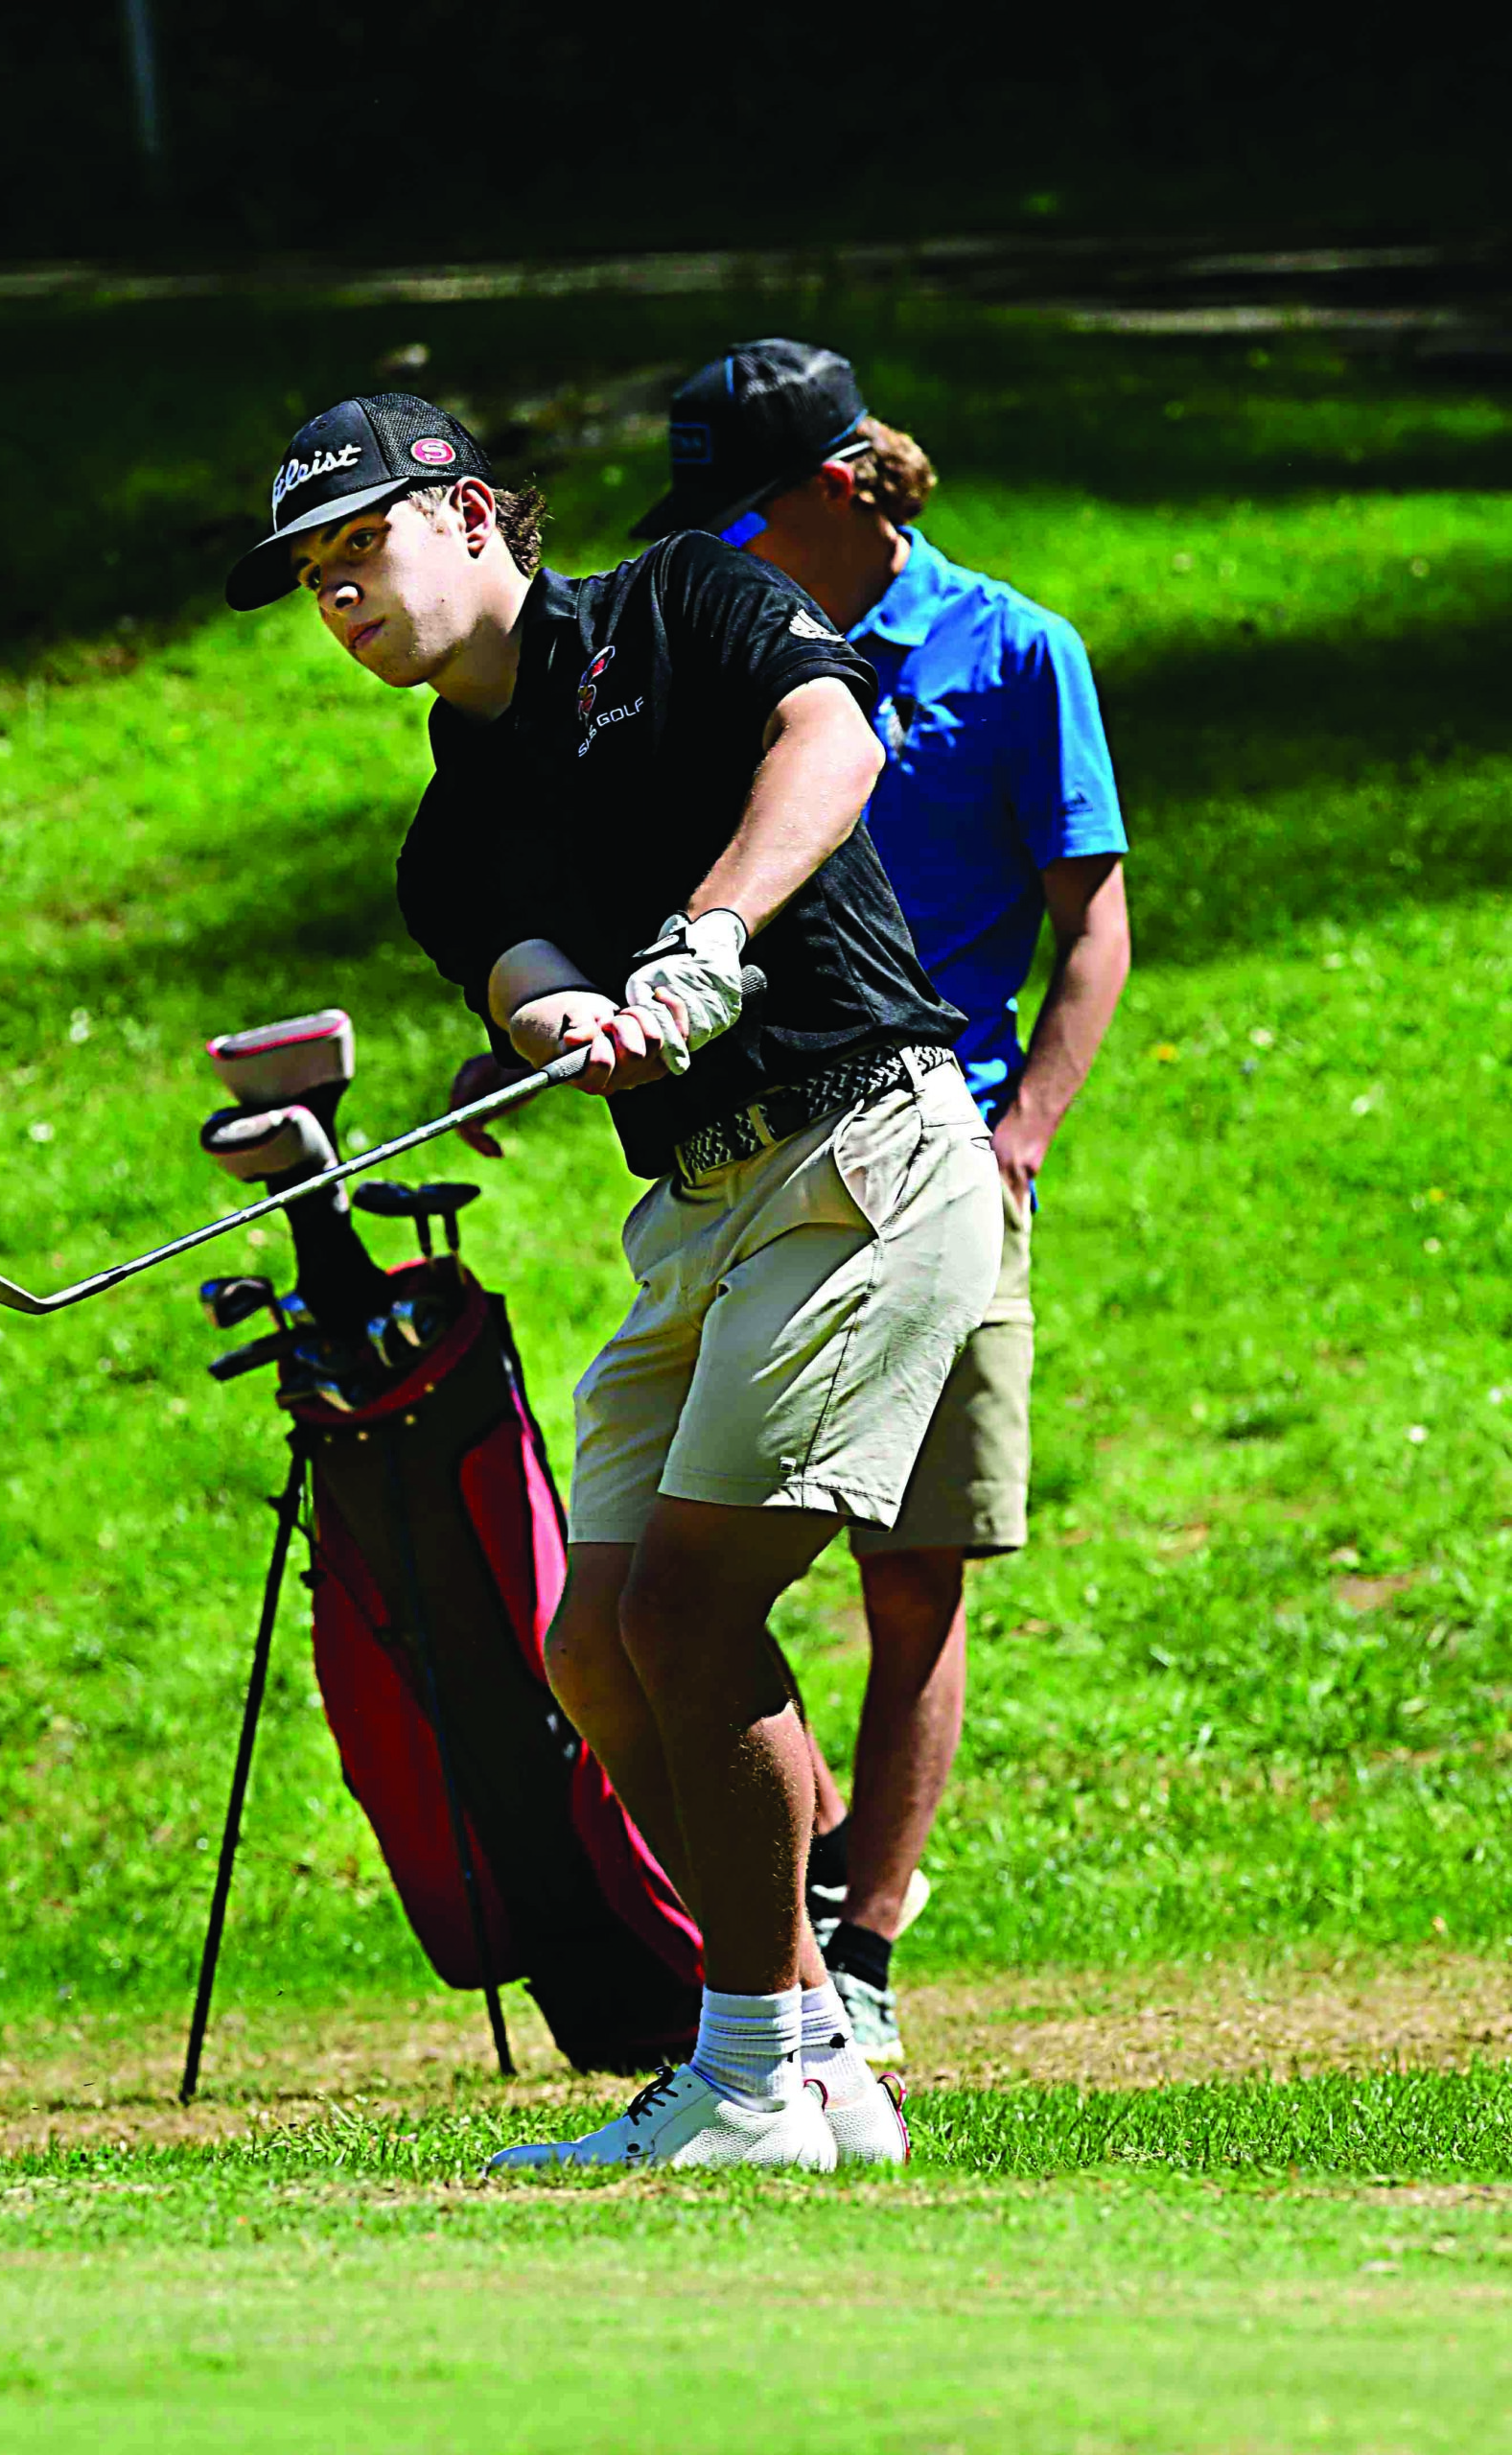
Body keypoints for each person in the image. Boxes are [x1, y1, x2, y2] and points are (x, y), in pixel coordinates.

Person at [224, 390, 1001, 2170]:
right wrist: (572, 1015)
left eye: (364, 550)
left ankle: (749, 2075)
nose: (343, 598)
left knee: (685, 1614)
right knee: (597, 1649)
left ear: (478, 516)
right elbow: (526, 979)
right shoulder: (447, 836)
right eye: (315, 581)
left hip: (858, 1146)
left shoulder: (685, 607)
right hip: (697, 1209)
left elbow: (832, 751)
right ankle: (810, 2058)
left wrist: (713, 932)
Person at [627, 339, 1133, 2059]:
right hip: (775, 1163)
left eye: (744, 518)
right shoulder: (724, 657)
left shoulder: (1011, 651)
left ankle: (865, 1952)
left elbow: (1093, 921)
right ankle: (796, 1900)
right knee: (705, 1579)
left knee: (915, 1578)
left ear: (840, 487)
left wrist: (1025, 1137)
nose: (720, 556)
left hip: (953, 1158)